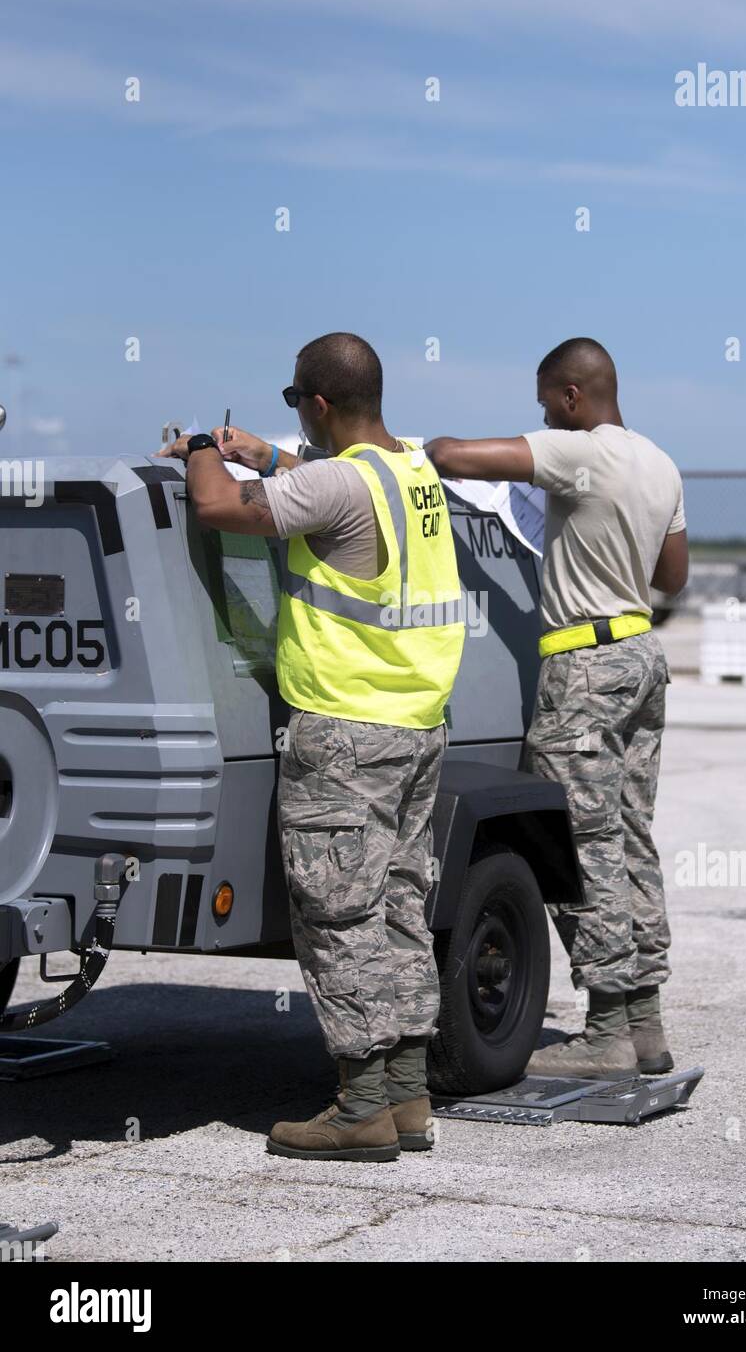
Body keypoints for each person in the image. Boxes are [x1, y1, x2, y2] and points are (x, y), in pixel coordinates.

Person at [158, 333, 465, 1158]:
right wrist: (269, 453)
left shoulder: (334, 482)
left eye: (297, 402)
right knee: (399, 910)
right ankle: (406, 1096)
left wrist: (196, 448)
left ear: (320, 404)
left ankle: (358, 1106)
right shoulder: (411, 472)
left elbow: (222, 509)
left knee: (337, 917)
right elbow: (335, 485)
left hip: (346, 734)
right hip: (417, 727)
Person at [425, 337, 687, 1080]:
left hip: (583, 664)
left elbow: (453, 456)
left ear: (573, 395)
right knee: (633, 837)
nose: (543, 416)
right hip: (641, 655)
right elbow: (672, 575)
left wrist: (424, 446)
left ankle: (604, 1032)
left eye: (546, 404)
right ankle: (645, 1022)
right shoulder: (660, 463)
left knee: (581, 841)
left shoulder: (581, 451)